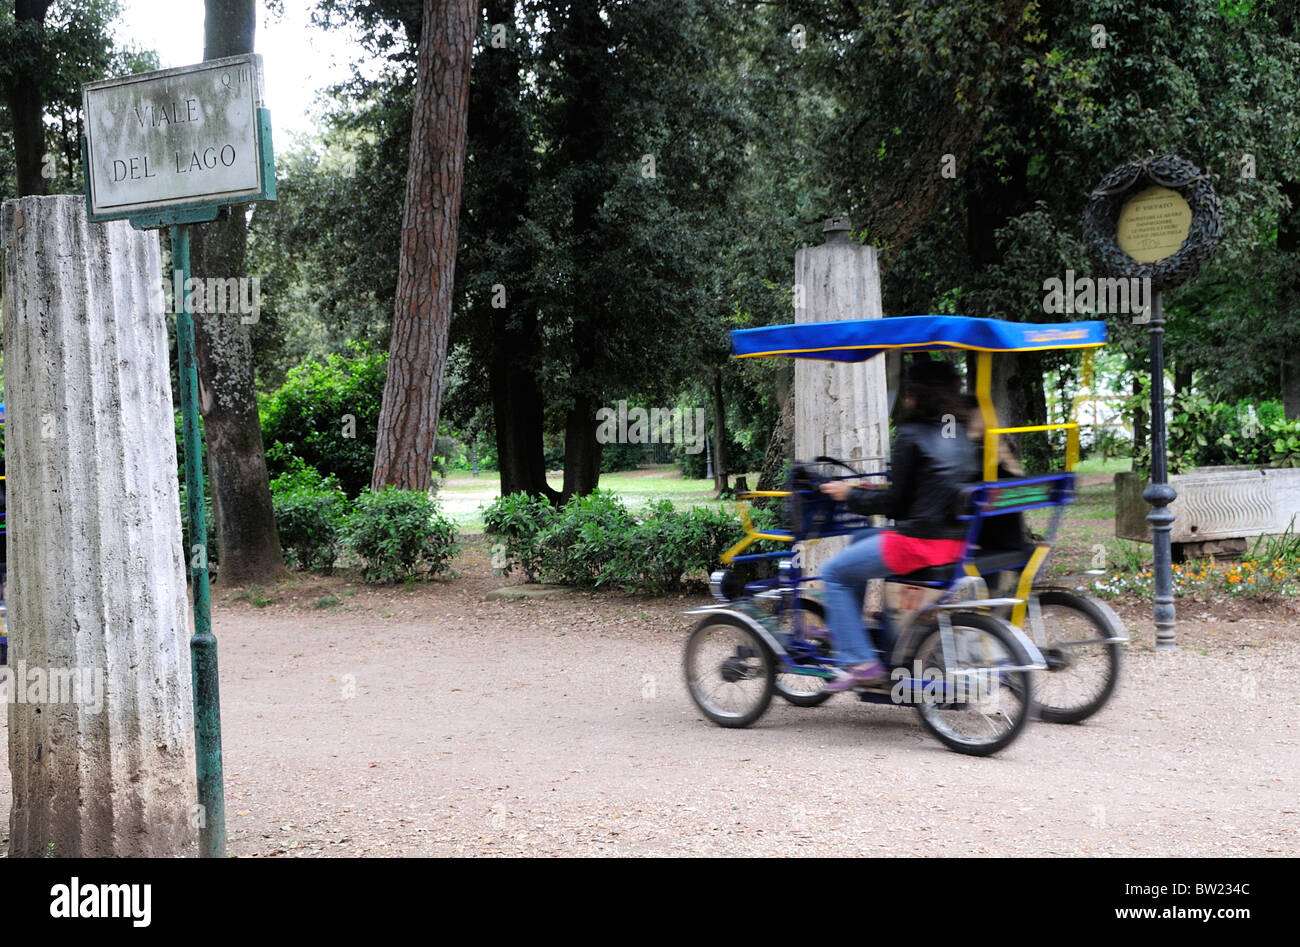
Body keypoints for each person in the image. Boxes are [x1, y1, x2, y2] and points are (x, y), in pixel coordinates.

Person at [816, 359, 980, 691]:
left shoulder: (911, 434)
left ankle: (861, 661)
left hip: (916, 545)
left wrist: (849, 494)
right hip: (955, 543)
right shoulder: (959, 434)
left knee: (832, 573)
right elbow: (925, 491)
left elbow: (895, 504)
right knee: (861, 535)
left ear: (917, 393)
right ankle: (847, 627)